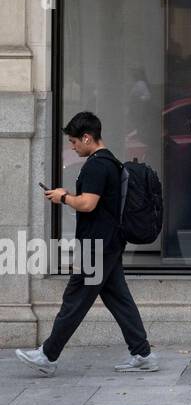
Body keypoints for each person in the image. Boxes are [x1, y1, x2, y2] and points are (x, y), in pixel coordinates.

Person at [16, 112, 157, 376]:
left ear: (87, 137)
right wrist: (68, 196)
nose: (72, 147)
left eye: (74, 141)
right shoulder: (110, 162)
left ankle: (47, 355)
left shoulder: (96, 165)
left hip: (97, 246)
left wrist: (63, 197)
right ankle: (143, 354)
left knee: (76, 298)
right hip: (109, 243)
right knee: (119, 299)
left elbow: (88, 203)